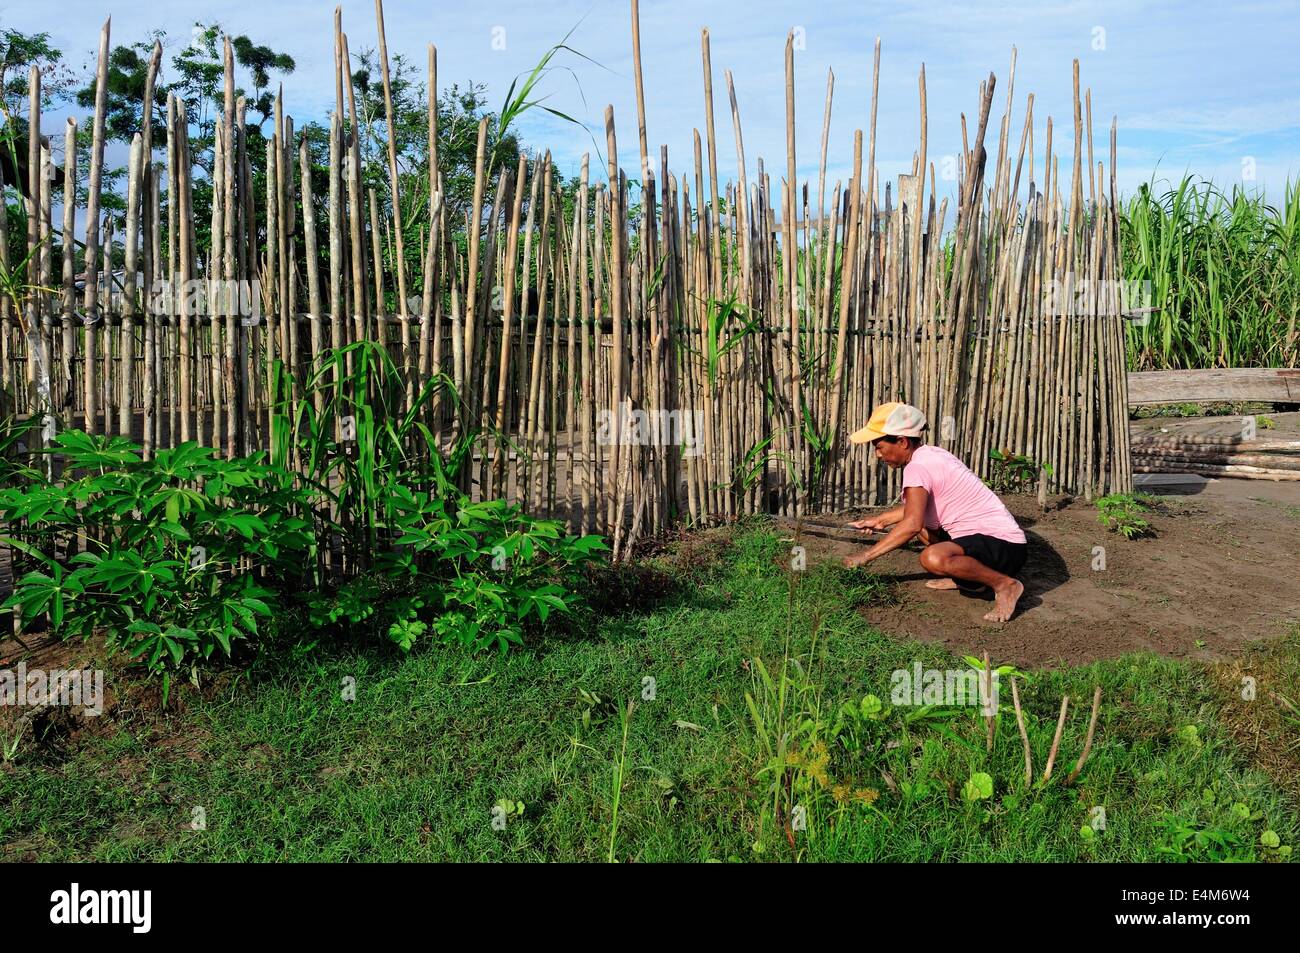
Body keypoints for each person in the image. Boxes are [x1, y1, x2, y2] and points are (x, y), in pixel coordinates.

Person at [841, 402, 1027, 623]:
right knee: (923, 529)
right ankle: (970, 579)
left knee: (933, 557)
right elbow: (919, 510)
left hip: (1003, 546)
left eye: (879, 447)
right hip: (1000, 545)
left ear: (902, 441)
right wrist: (881, 520)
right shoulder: (931, 454)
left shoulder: (917, 468)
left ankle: (1004, 585)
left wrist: (864, 557)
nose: (878, 455)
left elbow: (911, 523)